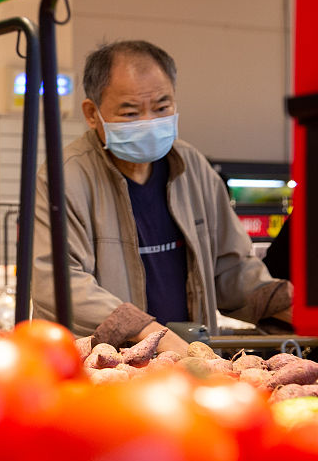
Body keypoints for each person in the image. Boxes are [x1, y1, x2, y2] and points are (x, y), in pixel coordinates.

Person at [33, 40, 292, 353]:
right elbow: (58, 282)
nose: (148, 122)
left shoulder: (192, 167)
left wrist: (286, 304)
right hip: (106, 371)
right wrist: (149, 333)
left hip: (189, 365)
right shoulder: (65, 177)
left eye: (161, 108)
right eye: (130, 112)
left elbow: (230, 268)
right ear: (92, 113)